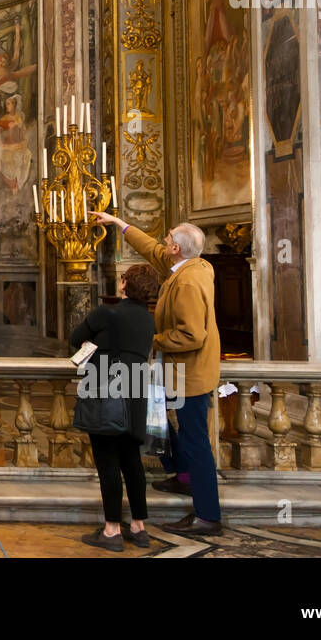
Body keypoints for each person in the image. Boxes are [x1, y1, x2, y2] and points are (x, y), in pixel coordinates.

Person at [92, 211, 224, 536]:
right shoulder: (188, 267)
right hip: (176, 369)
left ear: (176, 250)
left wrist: (151, 340)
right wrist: (119, 223)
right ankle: (181, 474)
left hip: (190, 374)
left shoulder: (189, 282)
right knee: (158, 421)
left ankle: (207, 514)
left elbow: (193, 335)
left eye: (168, 240)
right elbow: (151, 248)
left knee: (196, 441)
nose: (163, 243)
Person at [71, 264, 162, 552]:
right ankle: (138, 526)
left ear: (125, 284)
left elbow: (75, 340)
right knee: (132, 461)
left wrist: (97, 344)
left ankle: (111, 530)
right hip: (135, 393)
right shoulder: (149, 321)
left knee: (108, 463)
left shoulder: (106, 313)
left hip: (106, 391)